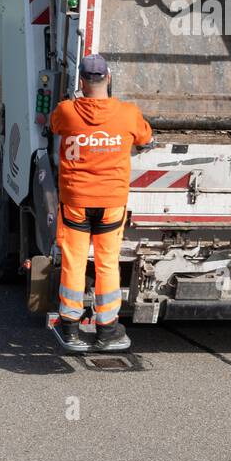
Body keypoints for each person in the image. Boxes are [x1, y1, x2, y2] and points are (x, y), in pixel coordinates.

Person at [50, 54, 152, 353]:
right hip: (110, 203)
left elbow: (53, 125)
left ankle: (69, 326)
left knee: (74, 261)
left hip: (76, 202)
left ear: (82, 82)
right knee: (107, 263)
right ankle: (107, 329)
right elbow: (145, 137)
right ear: (109, 78)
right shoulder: (128, 113)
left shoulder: (67, 111)